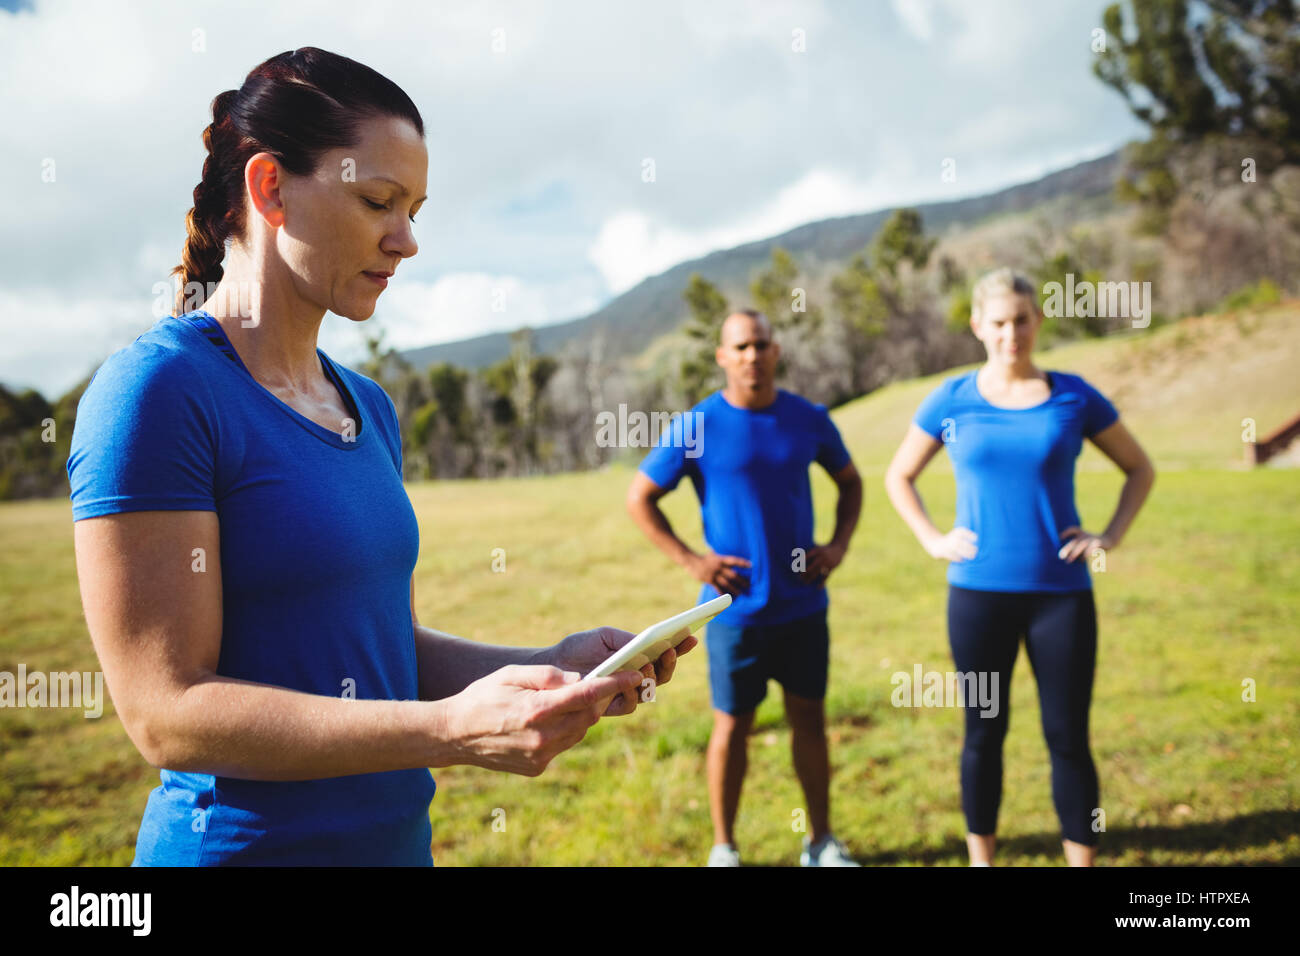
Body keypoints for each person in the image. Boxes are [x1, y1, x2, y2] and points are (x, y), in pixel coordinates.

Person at [66, 47, 692, 867]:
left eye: (416, 209)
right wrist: (452, 731)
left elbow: (374, 648)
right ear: (270, 188)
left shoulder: (368, 406)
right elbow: (167, 714)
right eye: (377, 201)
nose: (406, 241)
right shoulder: (158, 394)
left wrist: (549, 665)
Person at [883, 267, 1155, 866]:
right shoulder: (951, 400)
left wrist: (1108, 535)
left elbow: (1140, 468)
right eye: (1000, 322)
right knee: (984, 735)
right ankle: (982, 861)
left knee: (1068, 738)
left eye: (1023, 320)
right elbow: (898, 475)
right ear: (979, 325)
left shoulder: (1073, 396)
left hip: (1061, 596)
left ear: (1038, 321)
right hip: (978, 597)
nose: (1012, 333)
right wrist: (932, 538)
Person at [626, 309, 863, 867]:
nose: (753, 355)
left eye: (761, 344)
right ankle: (725, 849)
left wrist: (837, 545)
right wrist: (693, 562)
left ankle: (821, 843)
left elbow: (850, 482)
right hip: (733, 614)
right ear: (723, 356)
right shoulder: (698, 425)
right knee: (732, 726)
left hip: (803, 607)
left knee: (810, 720)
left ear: (775, 351)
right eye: (741, 346)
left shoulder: (807, 418)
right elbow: (641, 498)